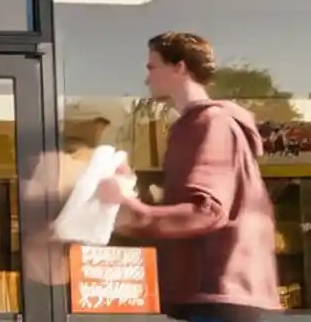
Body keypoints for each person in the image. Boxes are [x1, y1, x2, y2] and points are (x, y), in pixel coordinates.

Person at [97, 32, 280, 322]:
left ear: (179, 67)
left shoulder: (211, 124)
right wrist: (130, 191)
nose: (147, 79)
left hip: (220, 294)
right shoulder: (195, 125)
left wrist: (130, 208)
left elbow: (208, 210)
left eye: (151, 67)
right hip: (211, 294)